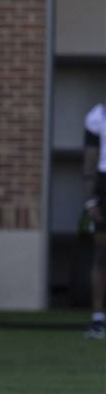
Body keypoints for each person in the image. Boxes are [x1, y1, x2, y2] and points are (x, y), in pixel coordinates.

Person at [83, 102, 106, 339]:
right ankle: (98, 319)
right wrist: (90, 200)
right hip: (104, 184)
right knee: (101, 254)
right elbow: (89, 159)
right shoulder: (97, 116)